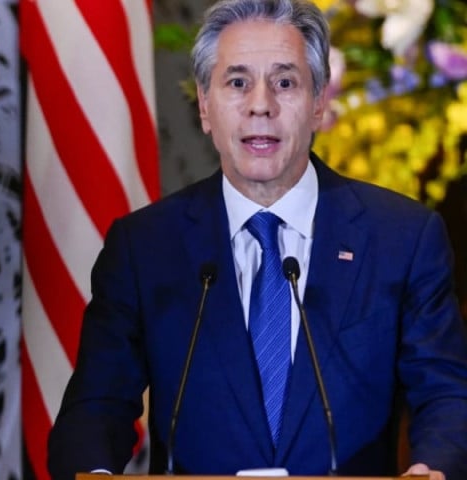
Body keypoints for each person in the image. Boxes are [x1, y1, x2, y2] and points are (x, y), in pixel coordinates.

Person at [47, 0, 467, 478]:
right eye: (237, 82)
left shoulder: (403, 238)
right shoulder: (144, 247)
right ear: (205, 106)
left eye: (285, 82)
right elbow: (95, 408)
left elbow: (447, 394)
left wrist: (433, 468)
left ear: (318, 103)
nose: (260, 105)